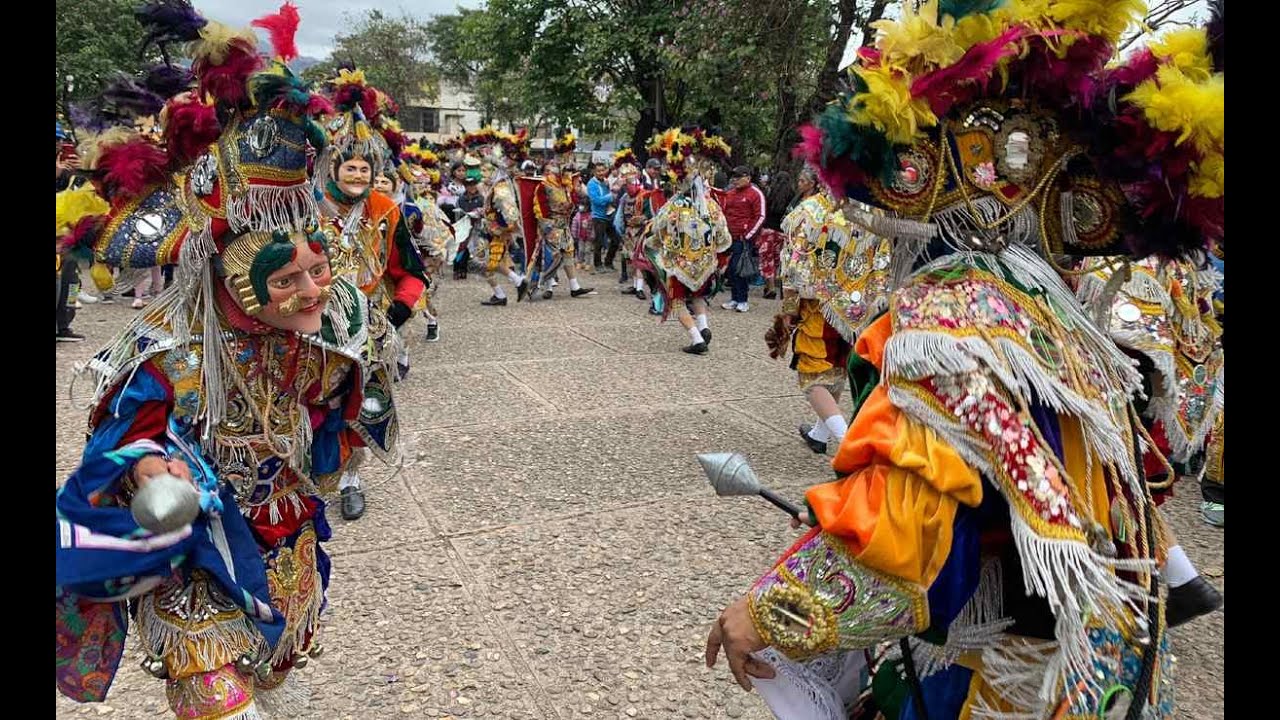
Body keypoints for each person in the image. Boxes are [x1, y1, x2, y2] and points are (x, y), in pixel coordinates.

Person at [705, 2, 1225, 717]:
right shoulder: (1056, 315)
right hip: (1110, 664)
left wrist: (767, 611)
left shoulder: (950, 318)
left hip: (1018, 674)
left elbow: (913, 535)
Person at [56, 11, 392, 717]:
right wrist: (150, 468)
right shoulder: (171, 355)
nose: (312, 290)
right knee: (216, 699)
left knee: (272, 678)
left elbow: (344, 421)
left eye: (317, 270)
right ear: (236, 280)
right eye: (288, 280)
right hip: (199, 549)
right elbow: (116, 443)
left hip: (286, 535)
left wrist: (356, 410)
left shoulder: (328, 336)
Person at [716, 165, 766, 313]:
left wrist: (749, 235)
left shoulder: (755, 194)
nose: (735, 180)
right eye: (734, 177)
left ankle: (743, 299)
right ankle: (734, 298)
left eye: (738, 177)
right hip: (728, 237)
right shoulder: (730, 193)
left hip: (743, 238)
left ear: (748, 177)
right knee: (731, 269)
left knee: (739, 268)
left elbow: (760, 216)